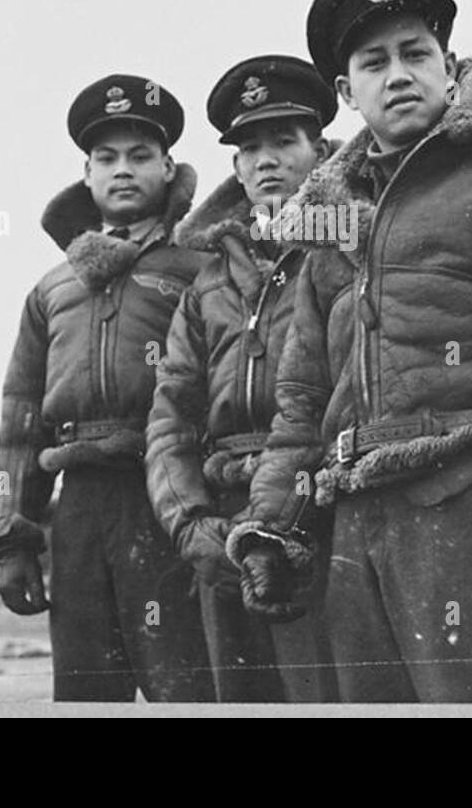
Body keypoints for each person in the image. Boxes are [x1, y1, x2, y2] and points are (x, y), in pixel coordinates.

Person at [226, 0, 472, 702]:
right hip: (352, 529)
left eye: (416, 53)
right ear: (347, 93)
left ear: (449, 65)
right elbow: (301, 401)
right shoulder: (329, 225)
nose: (399, 74)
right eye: (375, 62)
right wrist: (273, 521)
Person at [0, 75, 214, 702]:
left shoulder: (201, 269)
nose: (123, 170)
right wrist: (15, 538)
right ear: (86, 173)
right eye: (106, 158)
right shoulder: (52, 289)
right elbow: (21, 419)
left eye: (140, 156)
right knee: (86, 693)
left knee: (188, 688)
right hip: (79, 511)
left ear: (168, 167)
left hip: (168, 498)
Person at [146, 55, 340, 702]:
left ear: (319, 149)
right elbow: (171, 415)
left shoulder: (342, 252)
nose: (267, 161)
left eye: (285, 141)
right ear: (234, 168)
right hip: (225, 535)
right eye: (250, 148)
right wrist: (193, 527)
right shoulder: (208, 284)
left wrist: (285, 524)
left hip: (314, 523)